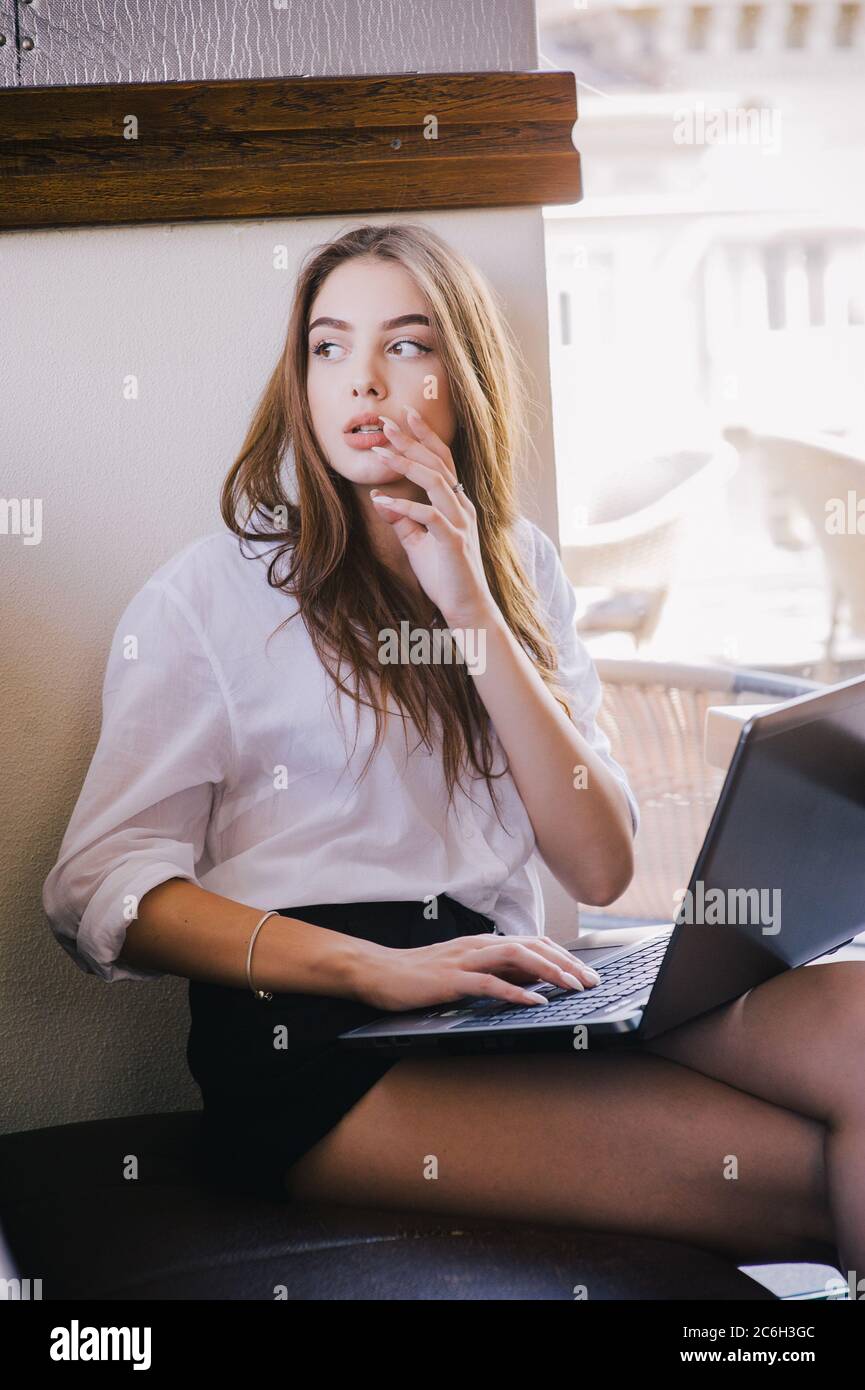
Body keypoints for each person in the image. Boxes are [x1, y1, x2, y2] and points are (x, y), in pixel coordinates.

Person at [43, 224, 861, 1276]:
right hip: (316, 1035)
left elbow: (599, 863)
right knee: (801, 1176)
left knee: (854, 1008)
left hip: (497, 992)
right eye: (329, 347)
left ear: (459, 372)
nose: (363, 381)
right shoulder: (211, 594)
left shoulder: (518, 566)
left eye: (406, 344)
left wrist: (471, 602)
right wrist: (370, 966)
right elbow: (100, 888)